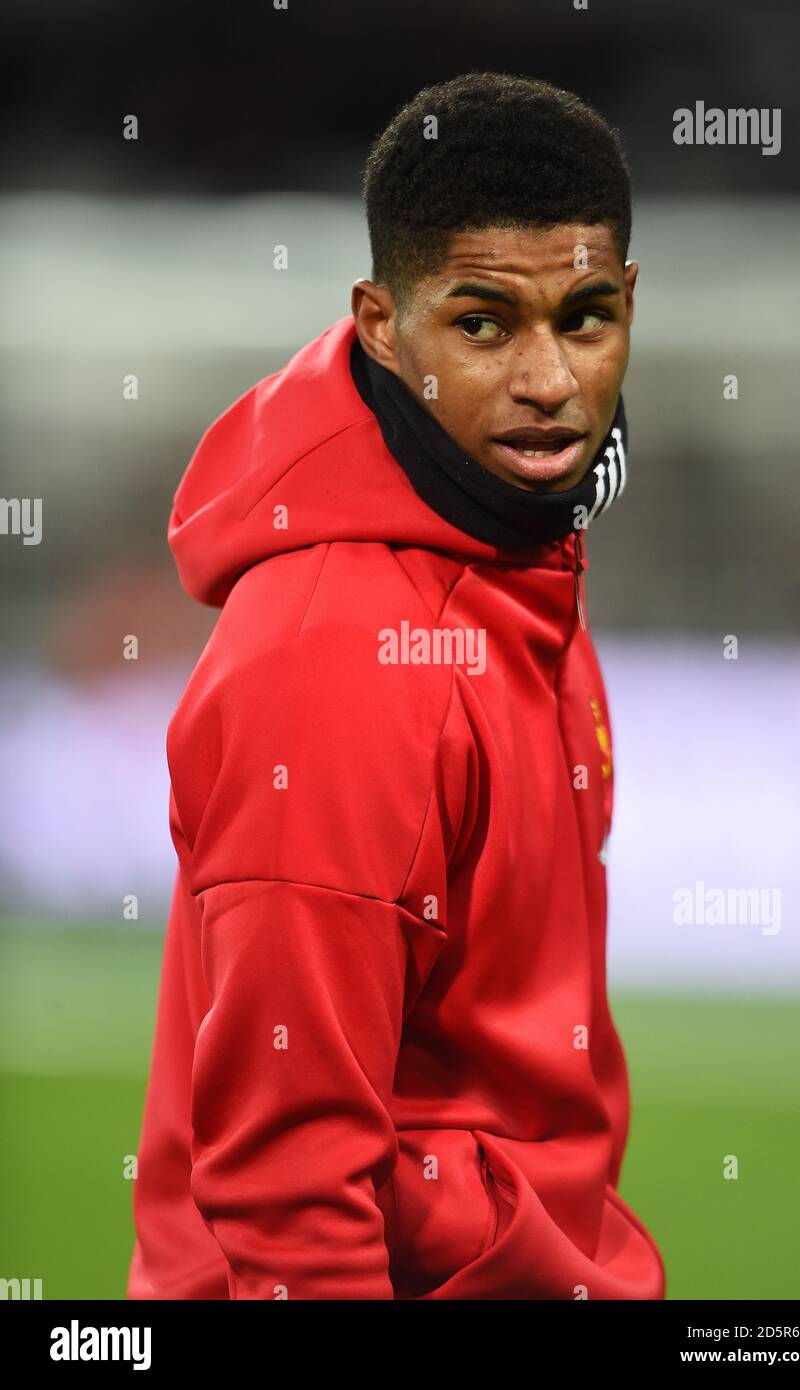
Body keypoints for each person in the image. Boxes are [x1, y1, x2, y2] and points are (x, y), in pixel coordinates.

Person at [127, 71, 665, 1301]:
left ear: (629, 303)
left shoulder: (521, 557)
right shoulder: (340, 655)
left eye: (584, 318)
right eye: (481, 324)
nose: (550, 381)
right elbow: (287, 1185)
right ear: (380, 324)